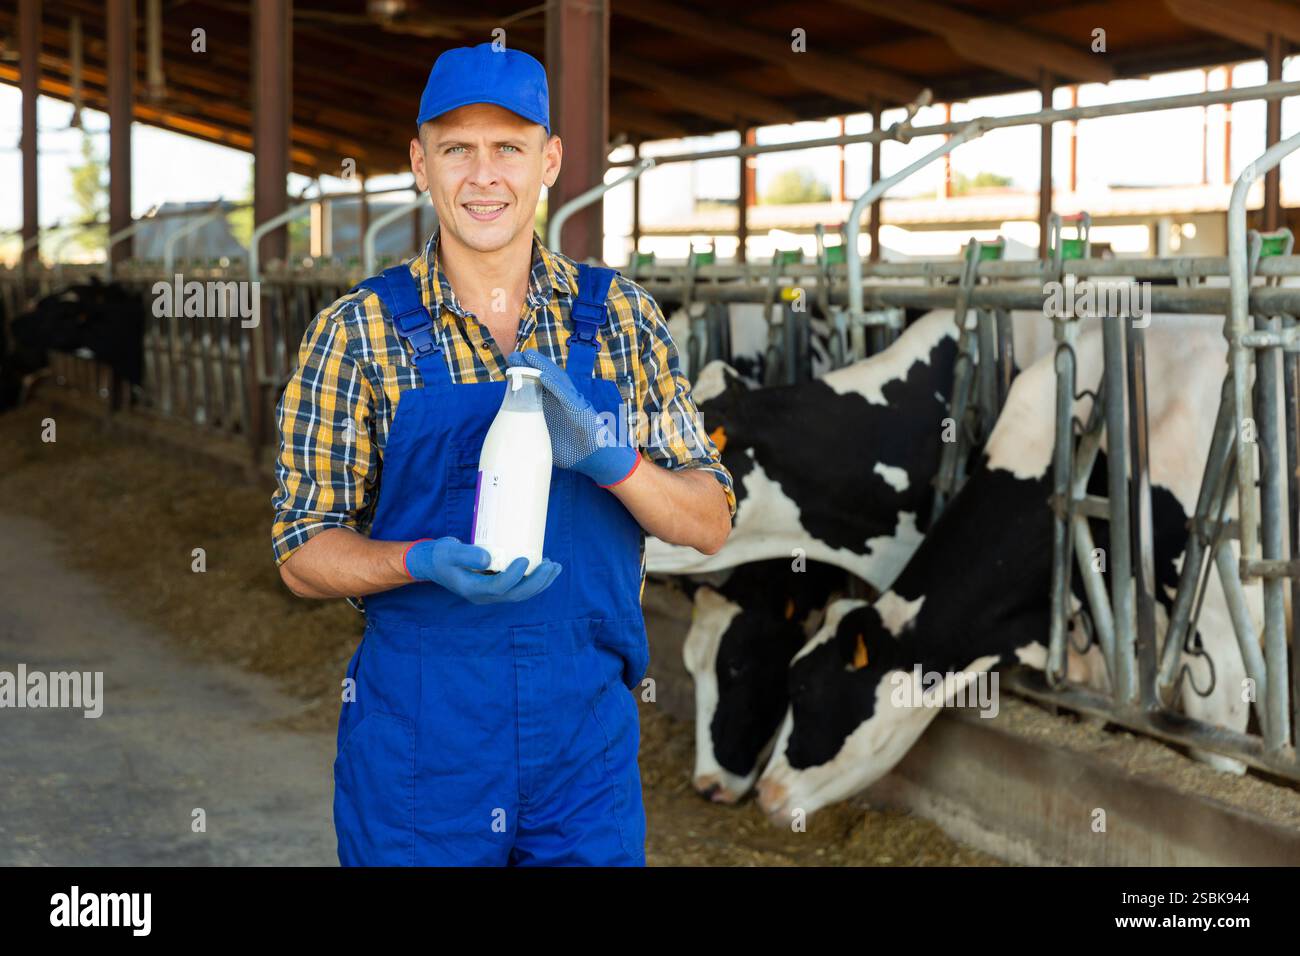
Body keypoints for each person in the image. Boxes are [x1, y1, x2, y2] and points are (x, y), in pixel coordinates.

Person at [270, 42, 736, 866]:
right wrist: (417, 560)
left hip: (583, 742)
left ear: (549, 161)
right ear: (420, 164)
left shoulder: (620, 319)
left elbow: (708, 523)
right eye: (457, 150)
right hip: (425, 742)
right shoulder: (357, 334)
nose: (484, 176)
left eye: (509, 148)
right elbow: (303, 553)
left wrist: (614, 462)